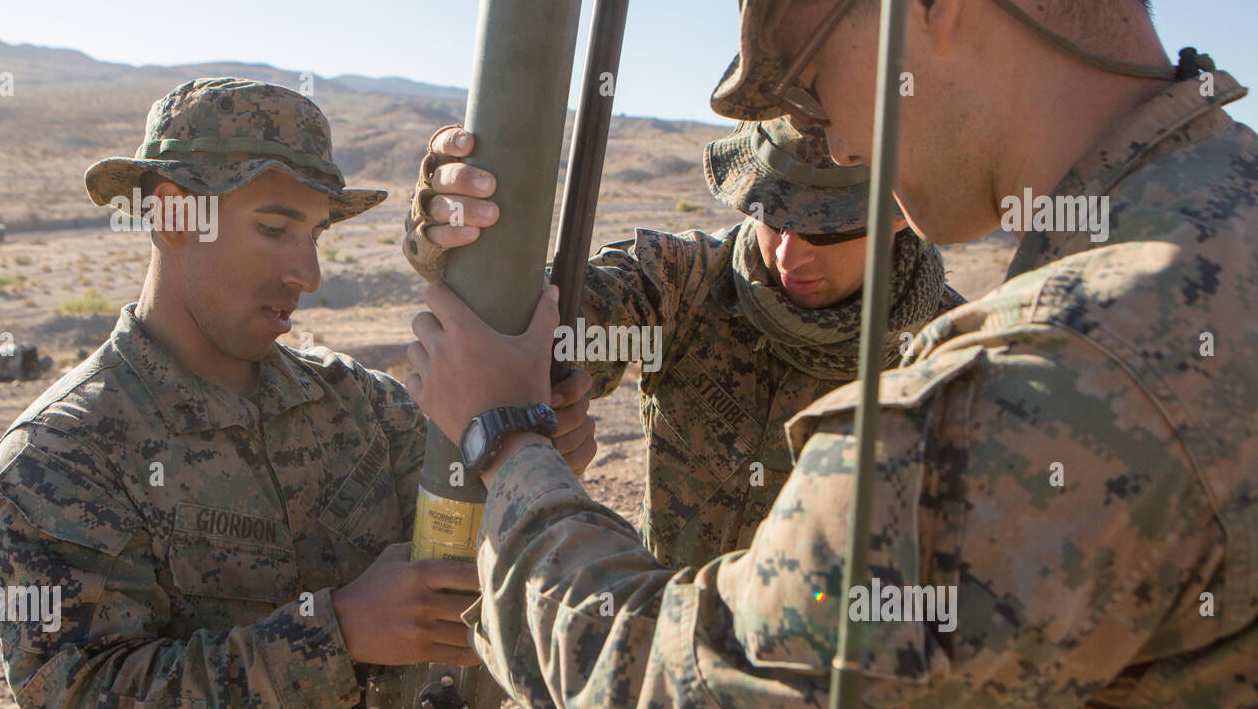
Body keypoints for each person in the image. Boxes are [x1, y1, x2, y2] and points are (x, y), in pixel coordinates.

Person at [402, 0, 1258, 709]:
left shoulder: (1047, 369)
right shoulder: (1217, 225)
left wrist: (505, 442)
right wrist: (467, 243)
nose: (842, 145)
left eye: (812, 82)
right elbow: (558, 320)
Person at [0, 77, 589, 709]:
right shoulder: (62, 454)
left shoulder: (359, 409)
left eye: (315, 233)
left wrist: (523, 451)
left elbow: (464, 549)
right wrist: (339, 633)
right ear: (177, 218)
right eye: (274, 229)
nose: (309, 271)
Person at [405, 116, 962, 570]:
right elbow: (554, 329)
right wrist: (474, 255)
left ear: (900, 215)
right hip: (667, 658)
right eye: (770, 218)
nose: (791, 256)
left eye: (826, 231)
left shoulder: (952, 355)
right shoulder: (687, 281)